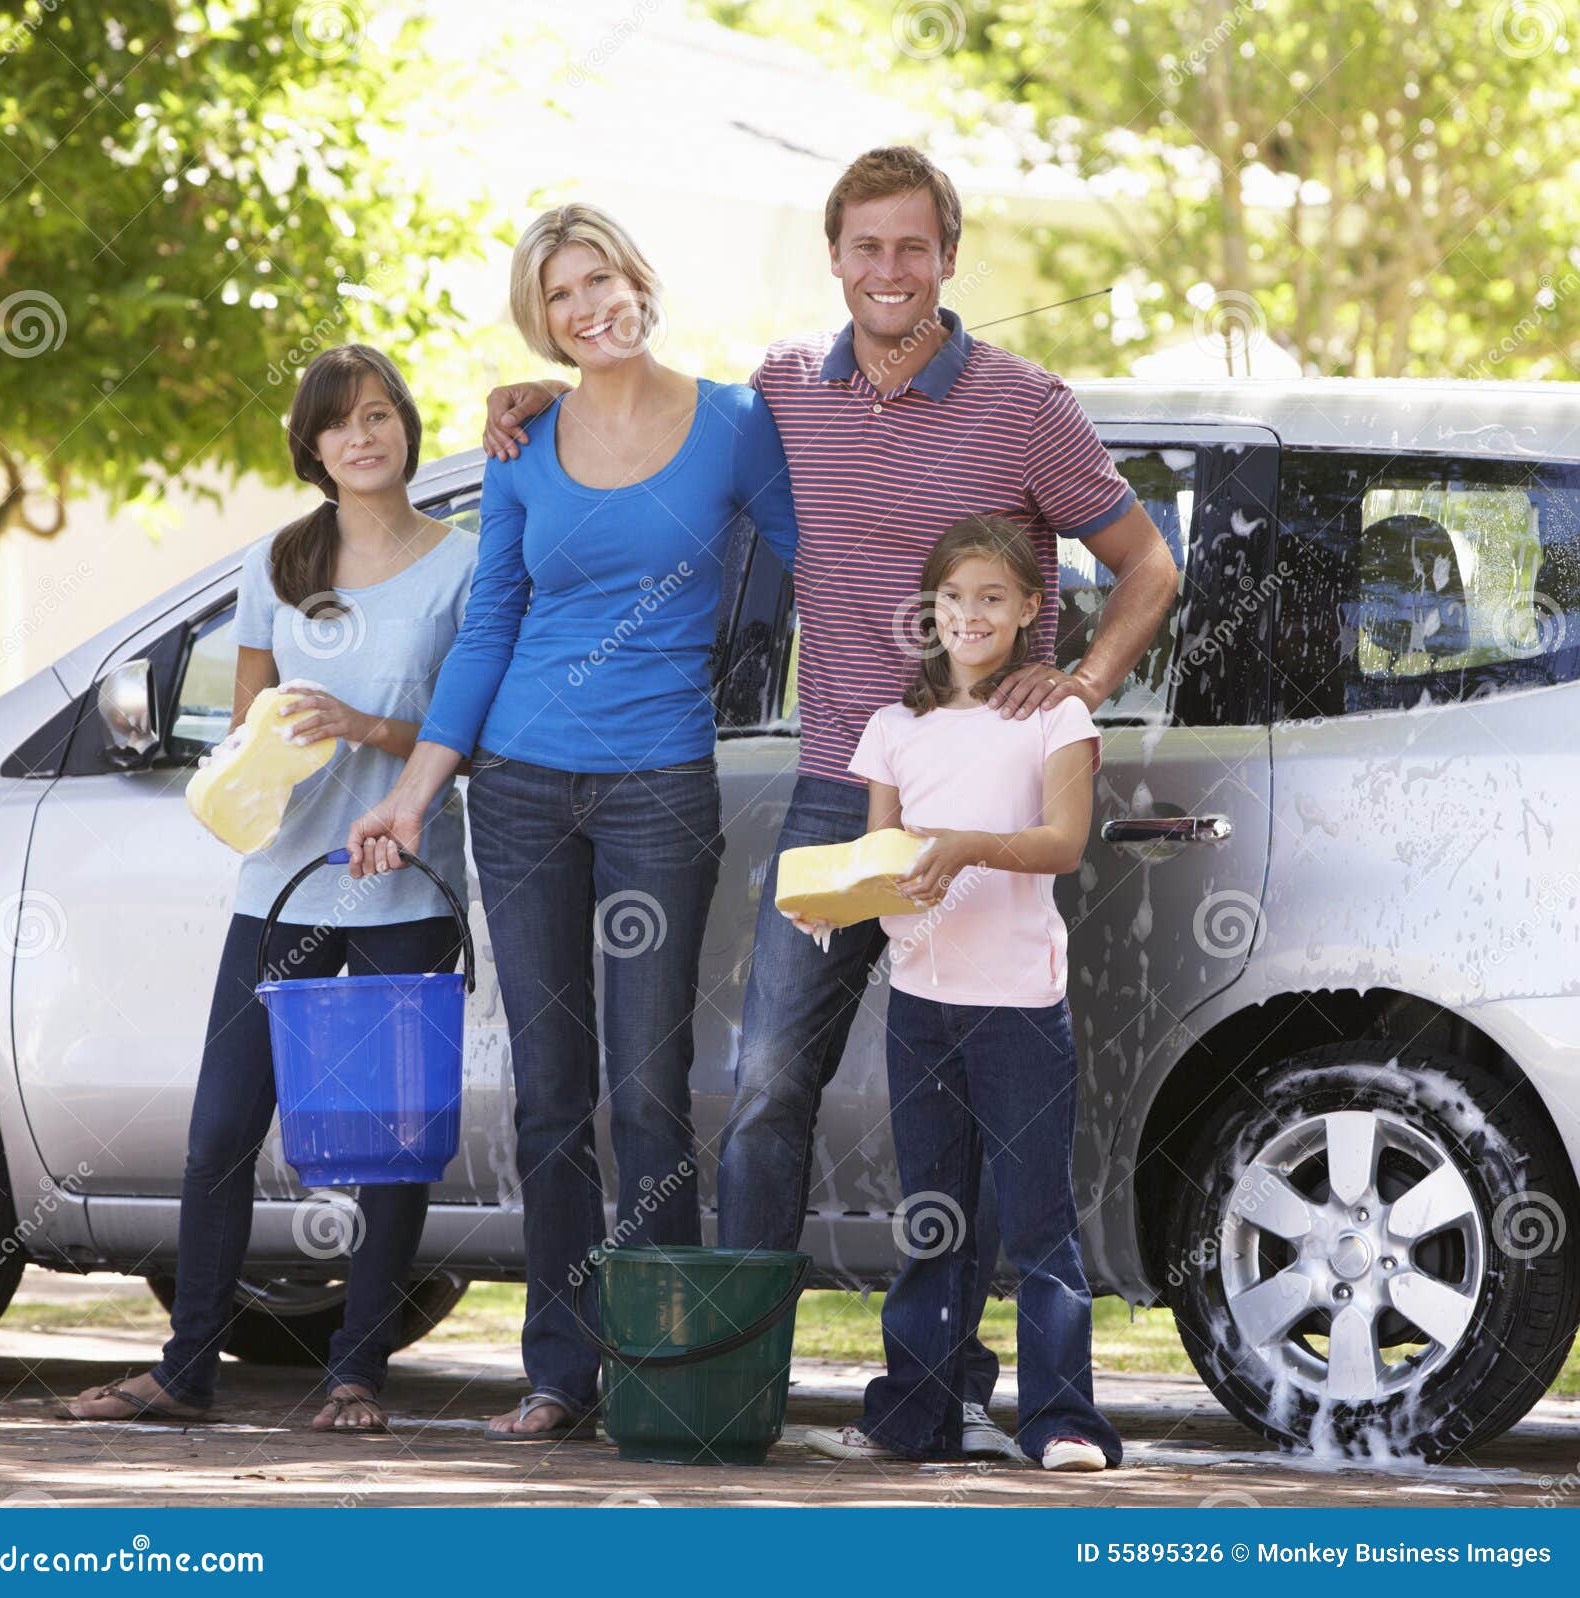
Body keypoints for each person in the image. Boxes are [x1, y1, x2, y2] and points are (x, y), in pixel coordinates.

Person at [482, 148, 1177, 1457]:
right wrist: (537, 387)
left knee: (974, 1107)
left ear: (949, 256)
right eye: (866, 248)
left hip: (981, 800)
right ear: (838, 258)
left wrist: (1078, 678)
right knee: (763, 1094)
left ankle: (957, 1389)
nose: (890, 271)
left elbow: (1146, 561)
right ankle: (725, 1386)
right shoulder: (787, 393)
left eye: (913, 247)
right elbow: (650, 416)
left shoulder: (1029, 404)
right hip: (833, 796)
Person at [344, 204, 799, 1441]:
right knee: (549, 1092)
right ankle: (561, 1367)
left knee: (648, 1091)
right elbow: (490, 620)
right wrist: (415, 786)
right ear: (538, 320)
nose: (586, 305)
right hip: (522, 786)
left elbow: (825, 557)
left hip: (661, 786)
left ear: (641, 281)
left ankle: (659, 1357)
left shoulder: (734, 427)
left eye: (600, 278)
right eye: (559, 295)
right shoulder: (521, 439)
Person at [71, 344, 479, 1430]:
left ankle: (356, 1374)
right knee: (218, 1133)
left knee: (389, 1143)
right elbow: (245, 724)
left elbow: (471, 733)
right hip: (282, 888)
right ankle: (185, 1367)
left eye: (382, 414)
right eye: (340, 422)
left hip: (402, 892)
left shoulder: (464, 565)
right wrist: (273, 748)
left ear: (406, 427)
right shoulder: (280, 560)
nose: (364, 435)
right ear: (311, 446)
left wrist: (365, 729)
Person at [801, 514, 1123, 1471]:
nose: (970, 615)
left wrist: (974, 847)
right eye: (953, 598)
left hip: (1021, 1005)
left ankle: (1064, 1423)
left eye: (993, 597)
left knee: (1035, 1221)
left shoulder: (1057, 717)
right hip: (920, 1006)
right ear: (930, 610)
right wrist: (834, 903)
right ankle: (913, 1415)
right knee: (933, 1214)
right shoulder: (893, 729)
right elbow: (883, 858)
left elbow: (1062, 845)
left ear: (1031, 609)